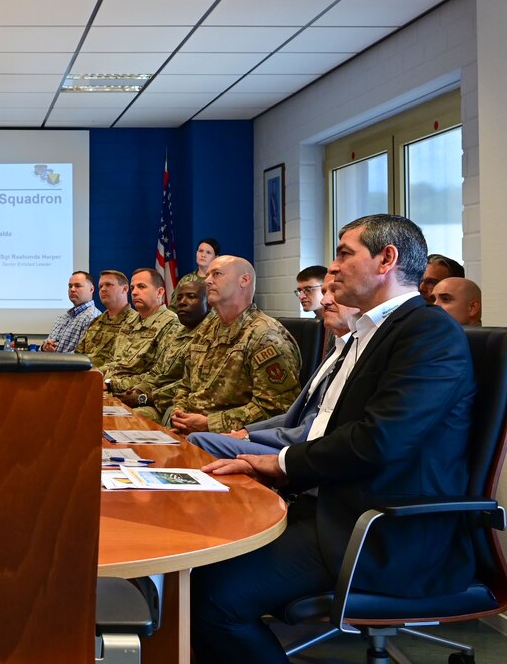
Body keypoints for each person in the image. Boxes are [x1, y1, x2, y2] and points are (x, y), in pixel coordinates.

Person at [191, 214, 476, 664]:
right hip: (331, 506)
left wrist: (278, 463)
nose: (333, 268)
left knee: (210, 602)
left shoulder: (428, 332)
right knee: (196, 564)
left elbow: (376, 441)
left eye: (344, 254)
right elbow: (326, 428)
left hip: (378, 528)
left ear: (387, 259)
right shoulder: (367, 334)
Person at [188, 273, 358, 458]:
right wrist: (247, 431)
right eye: (324, 292)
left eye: (335, 292)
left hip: (306, 451)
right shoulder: (338, 348)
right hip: (281, 435)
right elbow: (297, 414)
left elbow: (289, 412)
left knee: (198, 441)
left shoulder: (266, 335)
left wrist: (246, 435)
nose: (325, 301)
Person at [168, 256, 301, 434]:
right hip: (188, 430)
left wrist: (210, 423)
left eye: (217, 274)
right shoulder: (206, 329)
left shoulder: (265, 336)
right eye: (207, 275)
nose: (207, 281)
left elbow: (278, 409)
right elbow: (185, 385)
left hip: (228, 438)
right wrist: (180, 414)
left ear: (244, 280)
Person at [131, 280, 211, 422]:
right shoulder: (177, 332)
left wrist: (144, 398)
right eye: (179, 298)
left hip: (176, 404)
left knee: (132, 420)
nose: (182, 302)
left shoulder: (210, 335)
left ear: (208, 304)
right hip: (155, 399)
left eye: (191, 297)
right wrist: (138, 390)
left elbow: (188, 383)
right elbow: (157, 372)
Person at [104, 268, 181, 398]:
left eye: (141, 287)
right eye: (132, 288)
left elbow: (160, 375)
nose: (134, 292)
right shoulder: (130, 322)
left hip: (134, 394)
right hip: (108, 388)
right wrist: (93, 374)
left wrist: (111, 384)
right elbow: (114, 362)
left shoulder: (171, 324)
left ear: (160, 292)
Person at [75, 270, 134, 370]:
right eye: (101, 286)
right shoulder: (96, 321)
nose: (103, 289)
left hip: (109, 381)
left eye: (108, 285)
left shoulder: (135, 322)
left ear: (124, 289)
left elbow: (126, 363)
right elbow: (79, 355)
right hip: (83, 377)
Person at [41, 271, 100, 353]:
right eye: (70, 286)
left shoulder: (93, 317)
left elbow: (84, 354)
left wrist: (56, 356)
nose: (72, 289)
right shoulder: (63, 318)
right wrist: (45, 346)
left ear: (91, 289)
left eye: (78, 286)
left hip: (68, 365)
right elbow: (49, 342)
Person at [171, 237, 219, 305]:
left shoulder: (219, 280)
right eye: (200, 251)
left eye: (208, 252)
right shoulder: (186, 280)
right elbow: (173, 307)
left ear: (216, 257)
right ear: (196, 253)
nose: (203, 255)